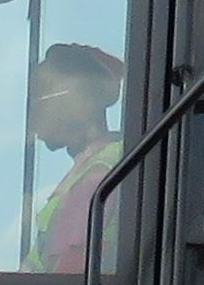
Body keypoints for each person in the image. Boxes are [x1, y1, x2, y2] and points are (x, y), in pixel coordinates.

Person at [27, 42, 128, 272]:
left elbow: (67, 277)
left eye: (41, 94)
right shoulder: (96, 163)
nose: (32, 110)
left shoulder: (98, 175)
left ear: (81, 98)